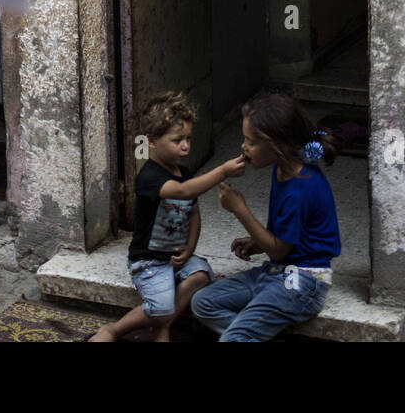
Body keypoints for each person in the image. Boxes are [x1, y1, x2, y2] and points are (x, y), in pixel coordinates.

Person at [90, 93, 247, 342]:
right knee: (161, 306)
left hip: (176, 259)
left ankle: (164, 325)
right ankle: (114, 330)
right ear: (152, 141)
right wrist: (222, 171)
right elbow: (182, 192)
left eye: (188, 139)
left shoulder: (184, 172)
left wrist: (190, 247)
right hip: (149, 262)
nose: (186, 146)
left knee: (202, 275)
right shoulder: (149, 177)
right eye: (177, 140)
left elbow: (193, 211)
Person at [191, 93, 342, 341]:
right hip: (275, 271)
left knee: (233, 339)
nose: (243, 147)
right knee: (202, 303)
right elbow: (284, 242)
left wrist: (239, 209)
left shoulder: (301, 187)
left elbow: (279, 250)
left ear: (278, 145)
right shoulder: (283, 166)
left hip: (302, 282)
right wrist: (257, 242)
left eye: (251, 141)